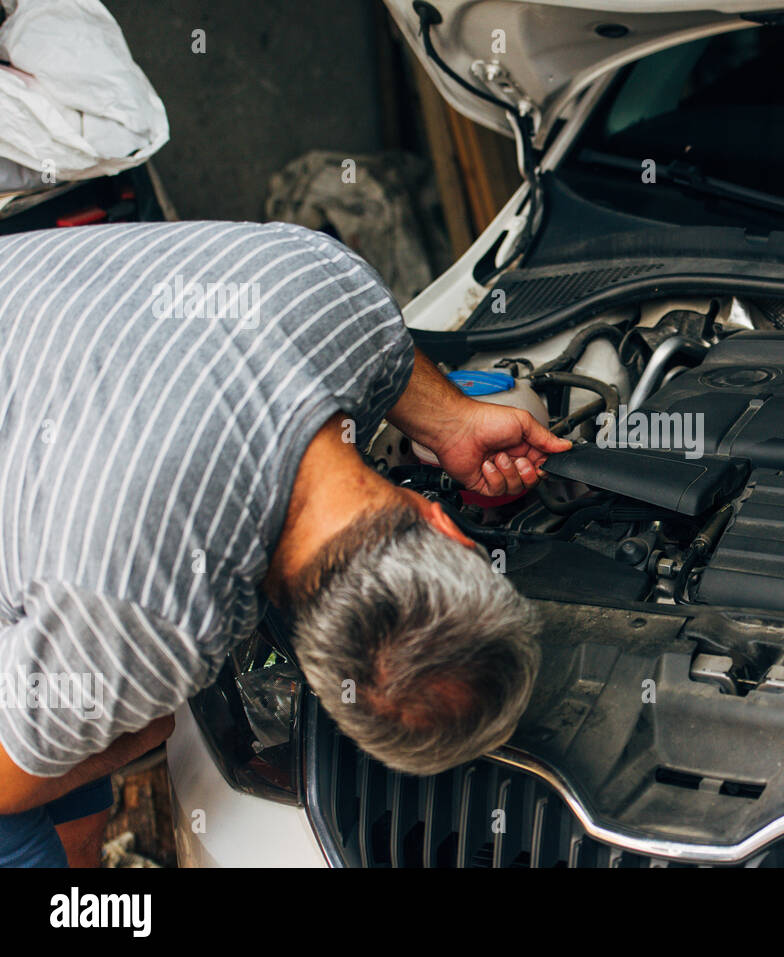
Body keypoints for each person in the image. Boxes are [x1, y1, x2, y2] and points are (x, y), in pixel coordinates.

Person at [0, 220, 569, 866]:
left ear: (444, 523)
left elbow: (382, 346)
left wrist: (451, 419)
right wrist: (146, 724)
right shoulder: (155, 617)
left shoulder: (335, 286)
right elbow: (5, 781)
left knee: (76, 761)